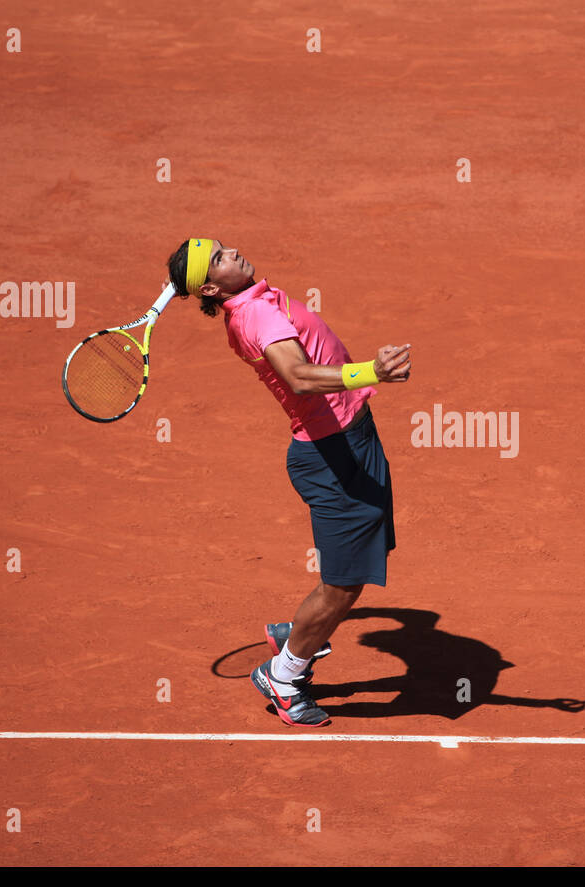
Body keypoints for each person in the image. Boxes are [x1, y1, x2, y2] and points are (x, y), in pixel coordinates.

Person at [167, 238, 411, 727]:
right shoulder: (257, 317)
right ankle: (285, 674)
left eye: (223, 246)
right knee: (343, 585)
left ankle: (296, 631)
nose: (231, 251)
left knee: (361, 564)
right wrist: (372, 372)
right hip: (331, 457)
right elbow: (298, 376)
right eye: (218, 258)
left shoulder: (251, 303)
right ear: (212, 286)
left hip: (350, 440)